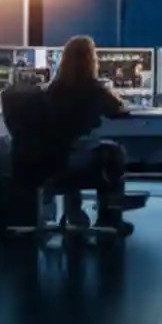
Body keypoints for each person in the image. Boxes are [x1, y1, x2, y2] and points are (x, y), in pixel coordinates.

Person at [43, 35, 134, 234]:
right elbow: (117, 110)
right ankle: (109, 219)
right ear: (91, 60)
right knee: (113, 155)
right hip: (77, 160)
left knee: (73, 149)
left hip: (50, 161)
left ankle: (74, 213)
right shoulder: (94, 88)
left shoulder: (52, 89)